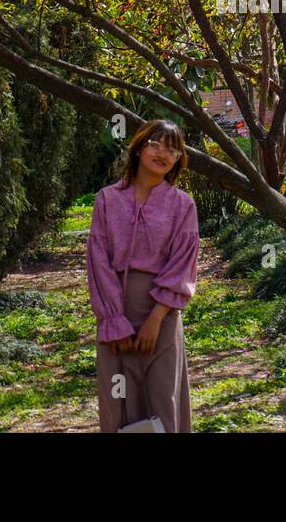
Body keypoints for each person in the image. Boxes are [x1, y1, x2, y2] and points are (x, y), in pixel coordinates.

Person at [87, 119, 200, 432]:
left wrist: (156, 319)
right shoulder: (107, 199)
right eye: (156, 143)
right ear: (138, 148)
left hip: (161, 315)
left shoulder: (182, 206)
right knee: (119, 400)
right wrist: (114, 320)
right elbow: (99, 261)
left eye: (173, 149)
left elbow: (183, 264)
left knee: (162, 399)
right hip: (115, 311)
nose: (164, 152)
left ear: (178, 160)